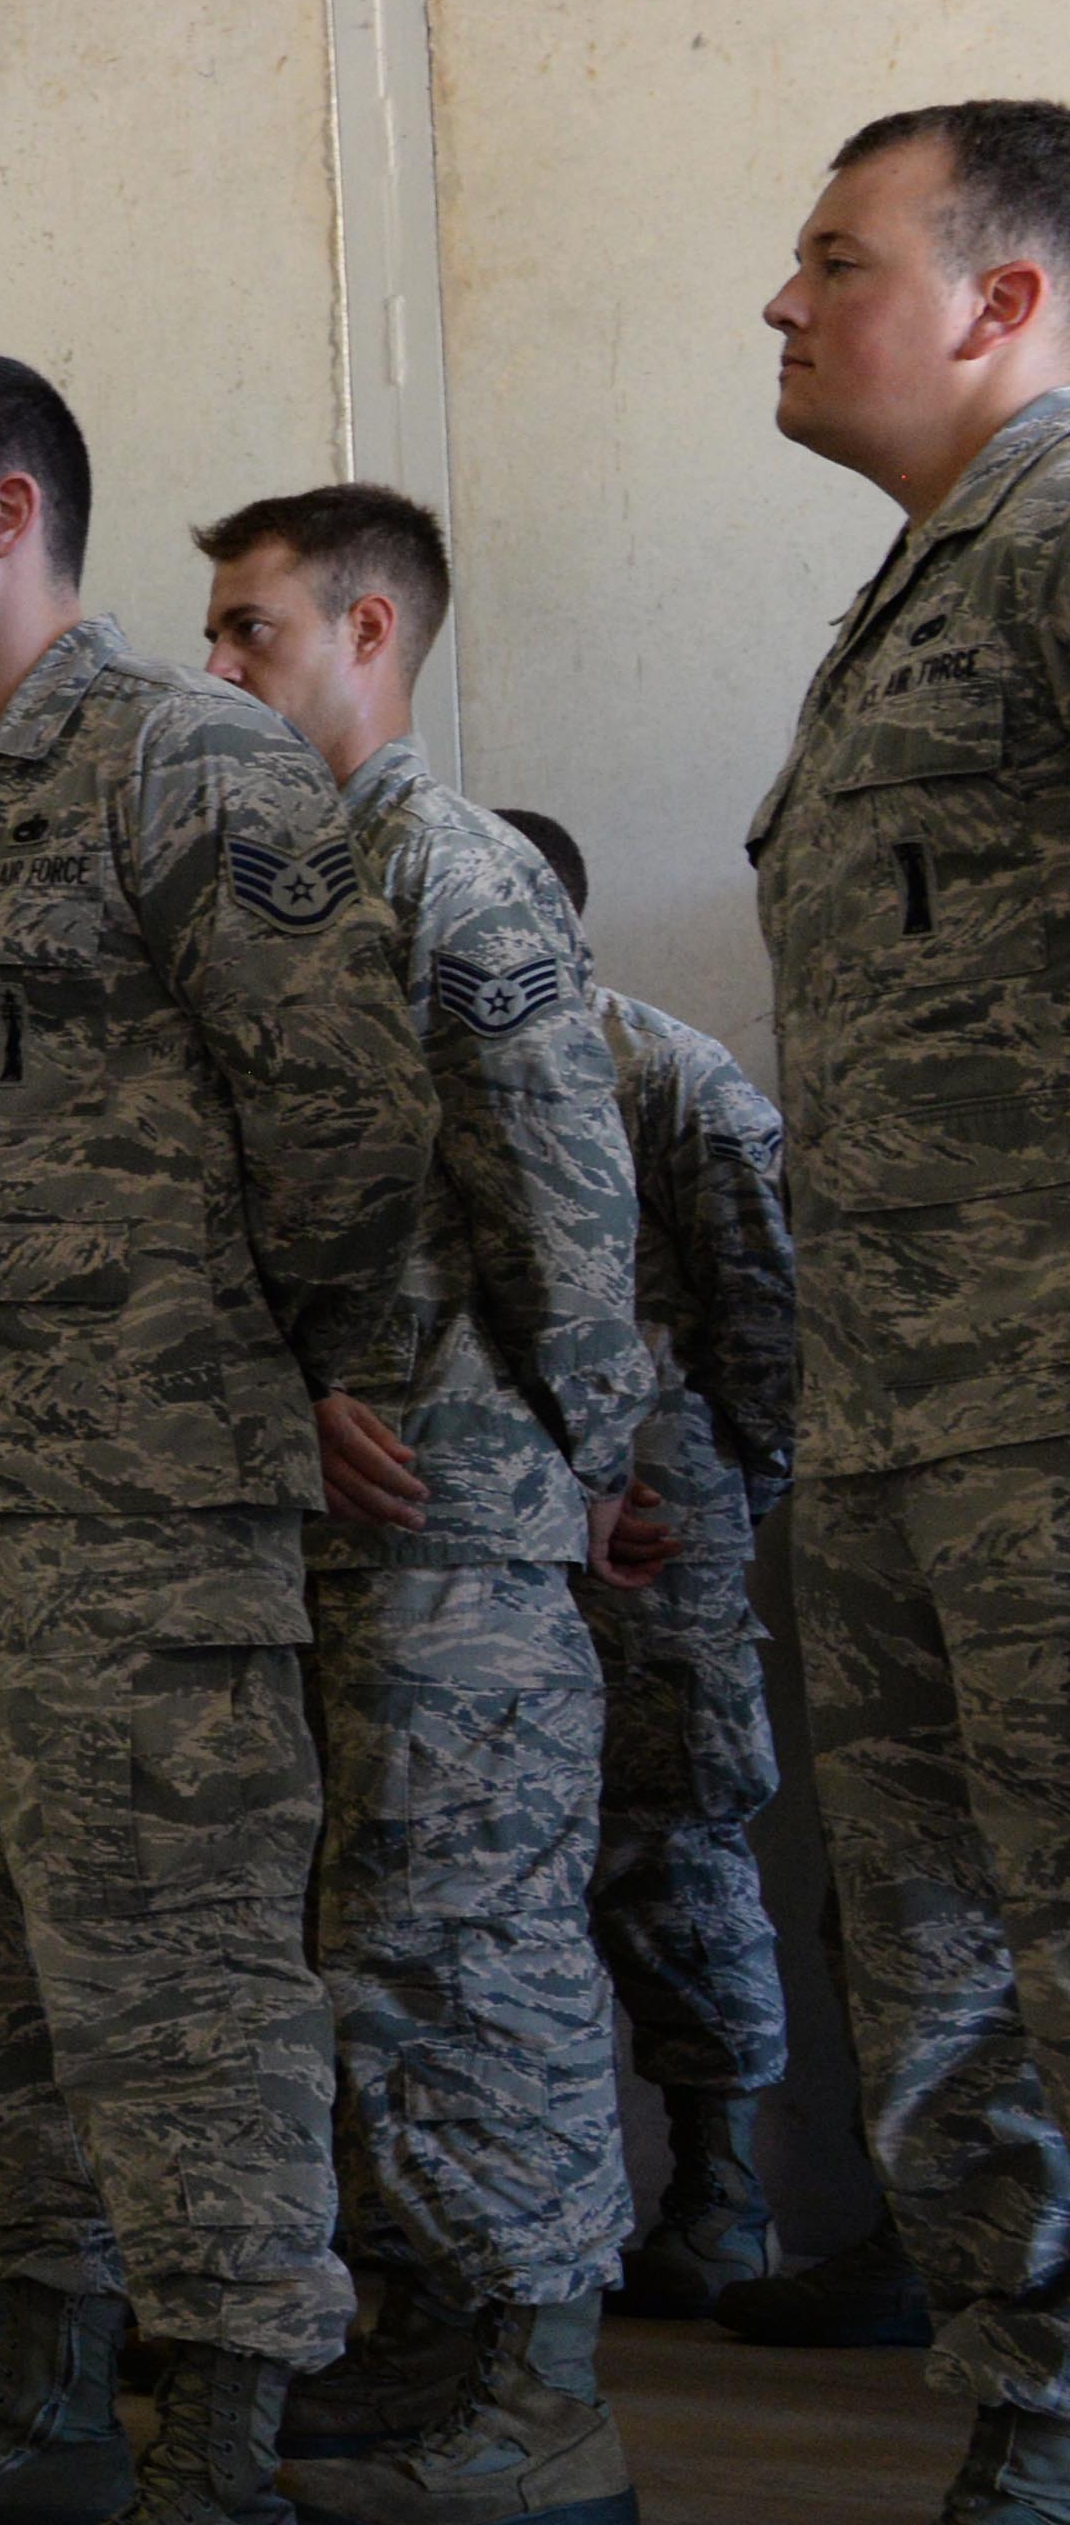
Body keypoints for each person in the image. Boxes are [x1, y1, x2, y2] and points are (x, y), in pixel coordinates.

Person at [0, 356, 430, 2525]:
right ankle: (49, 2381)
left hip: (139, 1511)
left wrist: (286, 1364)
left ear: (4, 510)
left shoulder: (188, 764)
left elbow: (348, 1120)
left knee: (182, 2006)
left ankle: (222, 2483)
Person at [651, 109, 1070, 2525]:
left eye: (835, 256)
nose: (781, 302)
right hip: (918, 1429)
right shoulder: (920, 600)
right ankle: (1037, 2515)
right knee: (945, 2000)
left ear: (1010, 296)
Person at [197, 481, 654, 2525]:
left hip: (458, 1519)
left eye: (251, 632)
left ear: (367, 631)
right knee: (368, 1946)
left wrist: (572, 1446)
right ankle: (430, 2324)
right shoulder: (300, 885)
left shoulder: (442, 872)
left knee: (475, 1946)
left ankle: (541, 2393)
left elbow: (564, 1186)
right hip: (340, 1515)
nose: (218, 670)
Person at [485, 812, 812, 2324]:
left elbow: (763, 1314)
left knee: (673, 1844)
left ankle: (722, 2194)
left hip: (662, 1540)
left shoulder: (666, 1073)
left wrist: (718, 1481)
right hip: (498, 1525)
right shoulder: (451, 1079)